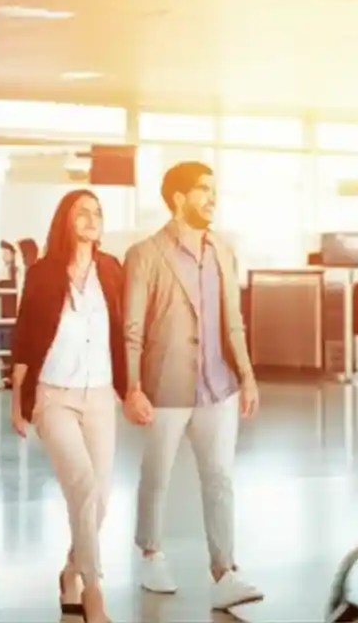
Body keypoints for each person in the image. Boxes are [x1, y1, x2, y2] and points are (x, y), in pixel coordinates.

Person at [121, 160, 262, 611]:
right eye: (203, 189)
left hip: (219, 385)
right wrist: (132, 387)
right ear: (179, 197)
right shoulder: (145, 255)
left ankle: (224, 572)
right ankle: (150, 553)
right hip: (165, 384)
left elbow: (234, 321)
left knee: (220, 478)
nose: (212, 197)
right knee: (157, 474)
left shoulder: (223, 251)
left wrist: (247, 376)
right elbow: (132, 329)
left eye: (214, 188)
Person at [9, 189, 126, 623]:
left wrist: (132, 388)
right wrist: (17, 401)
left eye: (97, 212)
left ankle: (71, 572)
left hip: (100, 395)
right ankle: (94, 592)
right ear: (65, 220)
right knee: (83, 487)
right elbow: (25, 337)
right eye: (82, 212)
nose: (92, 219)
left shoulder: (111, 269)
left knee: (101, 499)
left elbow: (123, 331)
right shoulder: (43, 273)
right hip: (54, 396)